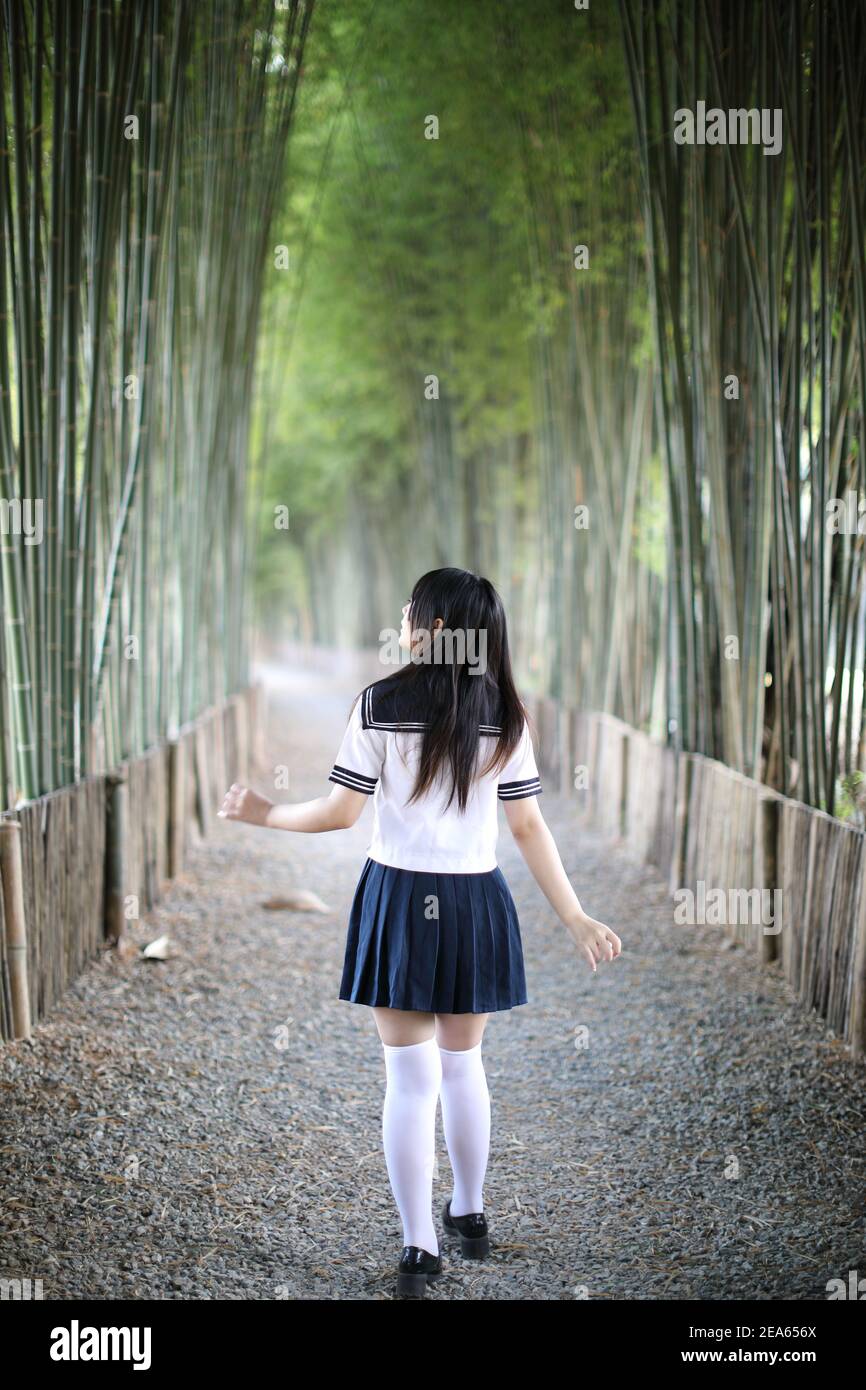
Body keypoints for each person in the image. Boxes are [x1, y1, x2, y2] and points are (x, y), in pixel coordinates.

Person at [220, 567, 621, 1298]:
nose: (402, 618)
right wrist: (575, 915)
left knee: (410, 1080)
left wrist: (264, 812)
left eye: (412, 610)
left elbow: (341, 814)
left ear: (433, 628)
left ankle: (418, 1247)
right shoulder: (504, 714)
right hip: (475, 901)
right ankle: (469, 1215)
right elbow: (528, 825)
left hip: (399, 898)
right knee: (464, 1067)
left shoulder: (380, 703)